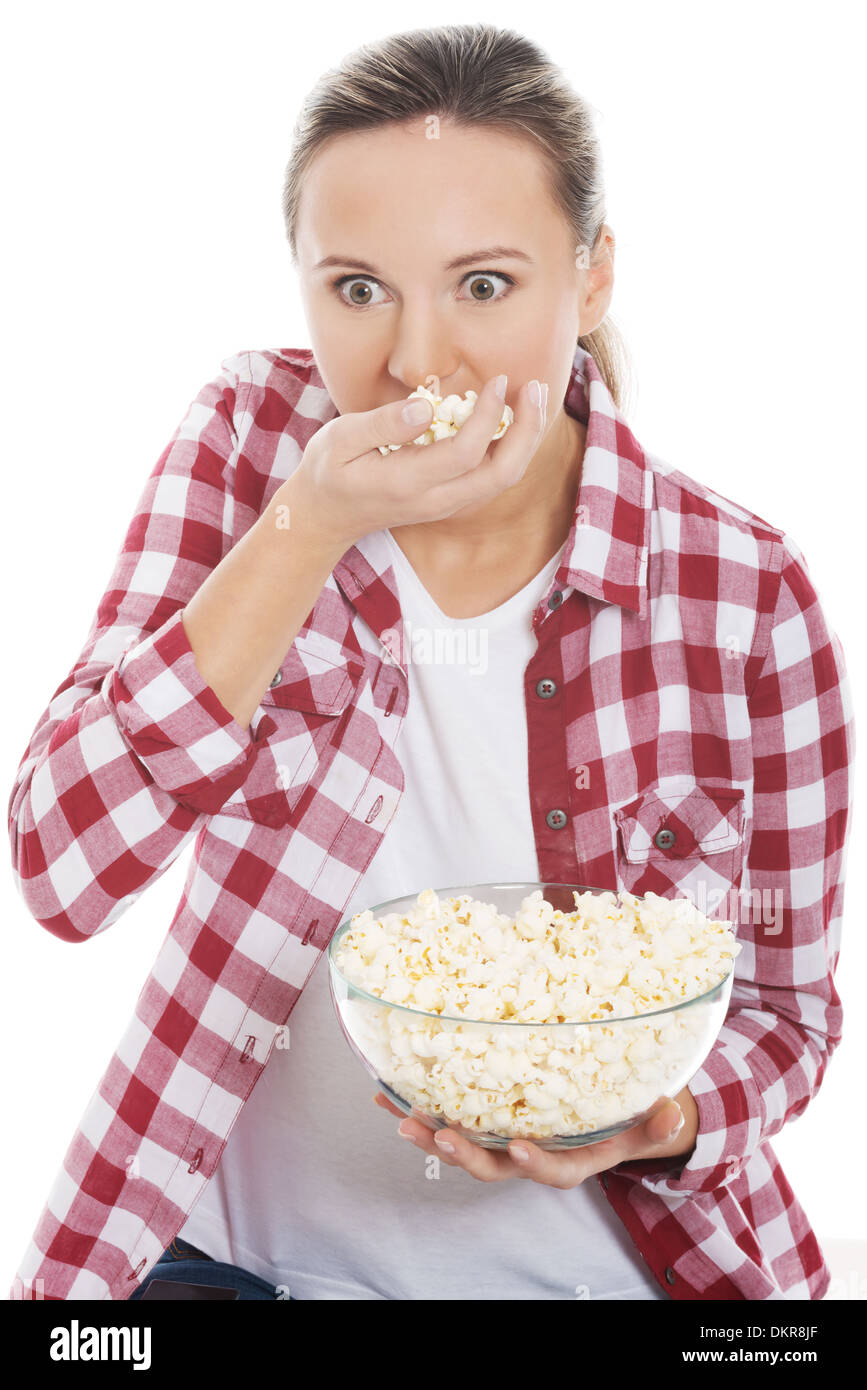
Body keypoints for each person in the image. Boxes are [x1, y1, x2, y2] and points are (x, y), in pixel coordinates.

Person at [9, 23, 853, 1302]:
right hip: (233, 1272)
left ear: (595, 277)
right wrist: (309, 528)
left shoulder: (747, 593)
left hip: (628, 1279)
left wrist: (655, 1122)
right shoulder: (252, 451)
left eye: (485, 285)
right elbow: (61, 870)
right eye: (358, 288)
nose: (416, 364)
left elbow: (790, 1018)